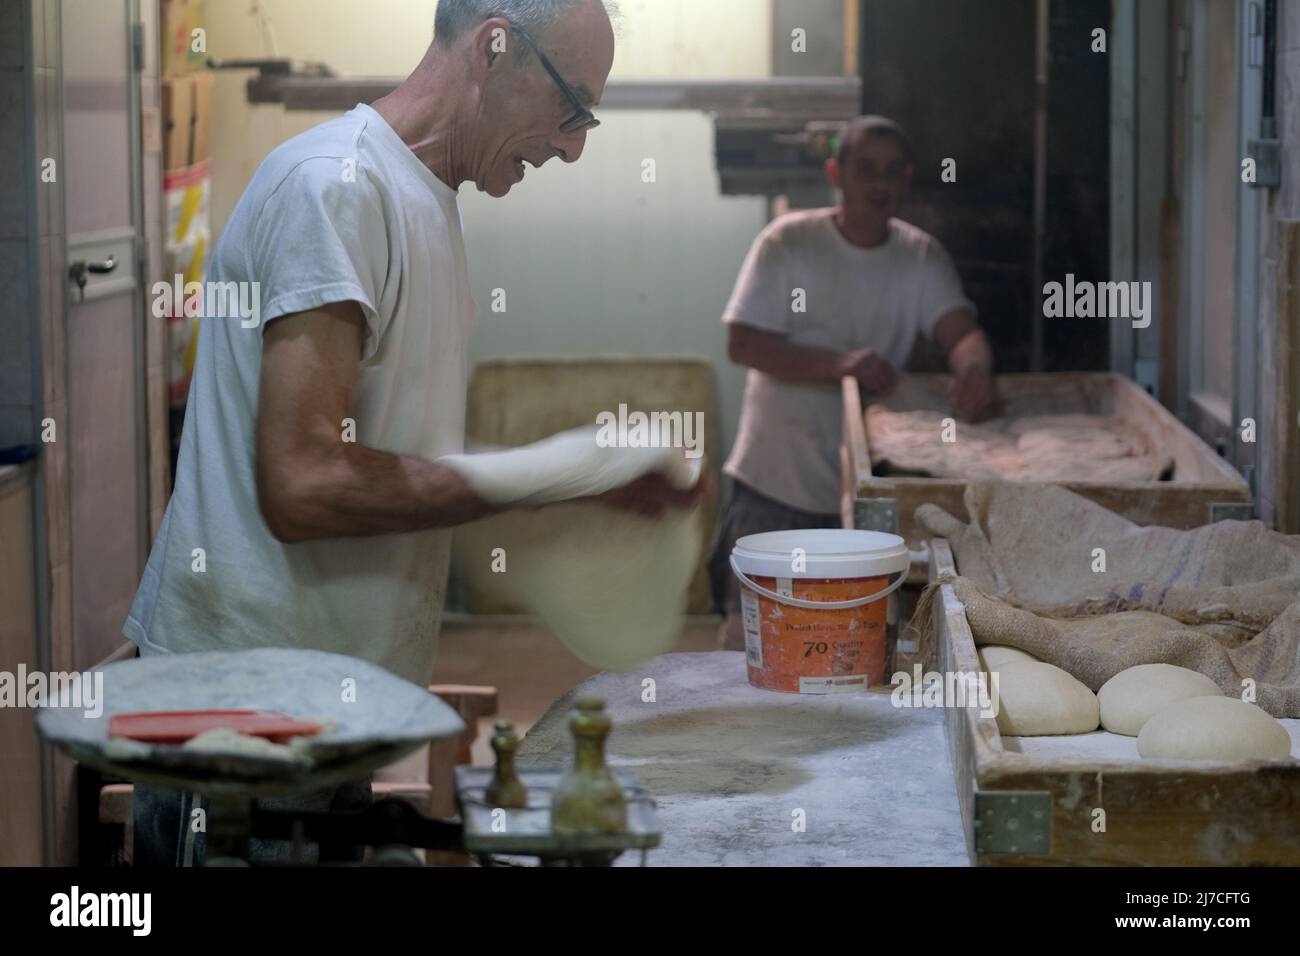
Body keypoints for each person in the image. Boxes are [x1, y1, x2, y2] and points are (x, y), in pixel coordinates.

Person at [126, 0, 698, 866]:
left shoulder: (423, 201)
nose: (575, 144)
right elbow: (305, 485)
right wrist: (544, 473)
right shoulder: (334, 187)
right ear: (496, 45)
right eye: (571, 107)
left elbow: (397, 469)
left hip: (332, 712)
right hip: (240, 721)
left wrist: (580, 489)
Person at [708, 115, 996, 650]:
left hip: (870, 495)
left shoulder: (920, 257)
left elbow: (962, 332)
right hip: (778, 480)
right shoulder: (788, 243)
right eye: (865, 170)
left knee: (850, 643)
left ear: (906, 179)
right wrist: (843, 363)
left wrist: (974, 368)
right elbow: (743, 344)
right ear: (836, 173)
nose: (878, 184)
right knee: (756, 641)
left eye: (891, 172)